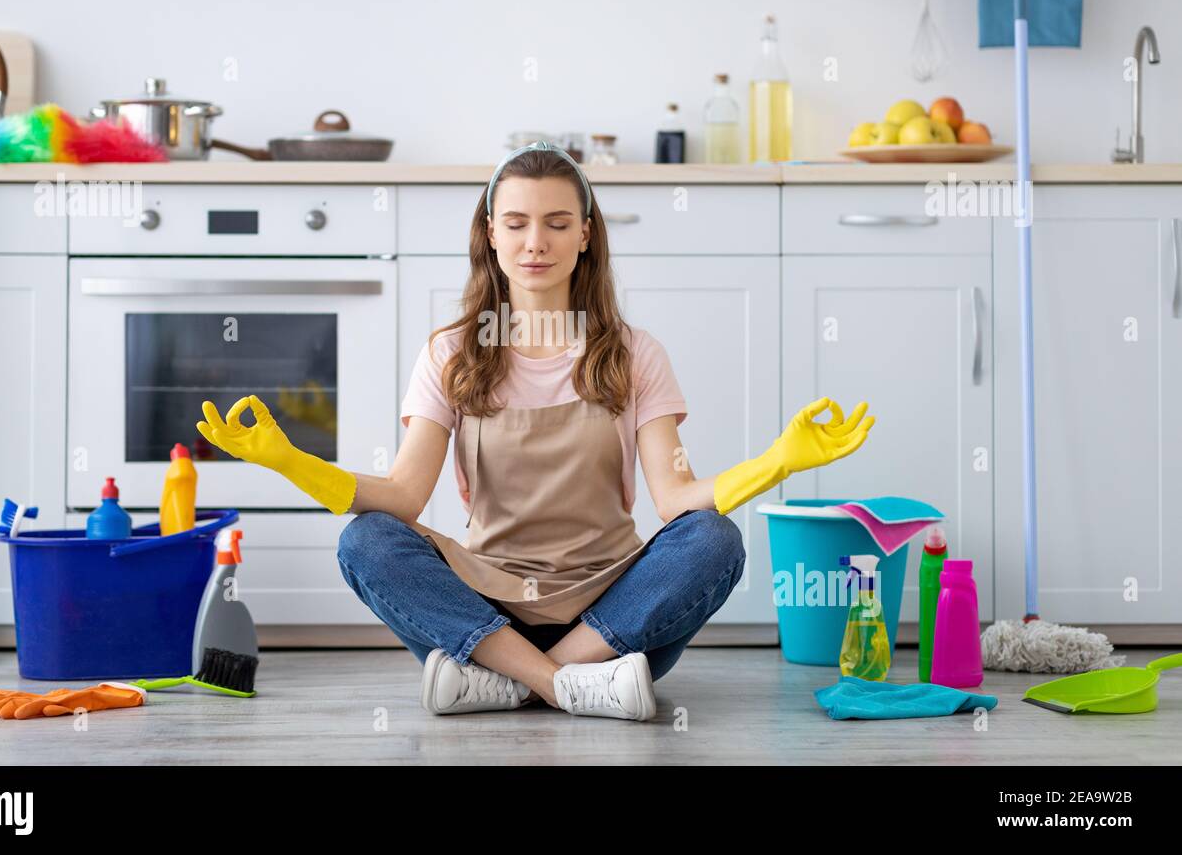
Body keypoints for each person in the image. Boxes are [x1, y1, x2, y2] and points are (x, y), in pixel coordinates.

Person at [197, 141, 875, 722]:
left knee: (714, 540)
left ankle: (506, 681)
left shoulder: (636, 354)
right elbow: (403, 497)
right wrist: (288, 458)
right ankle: (562, 685)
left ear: (585, 234)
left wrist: (779, 460)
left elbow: (674, 502)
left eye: (556, 223)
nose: (535, 242)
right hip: (485, 600)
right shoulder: (451, 354)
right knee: (368, 541)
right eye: (517, 223)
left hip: (613, 608)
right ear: (490, 232)